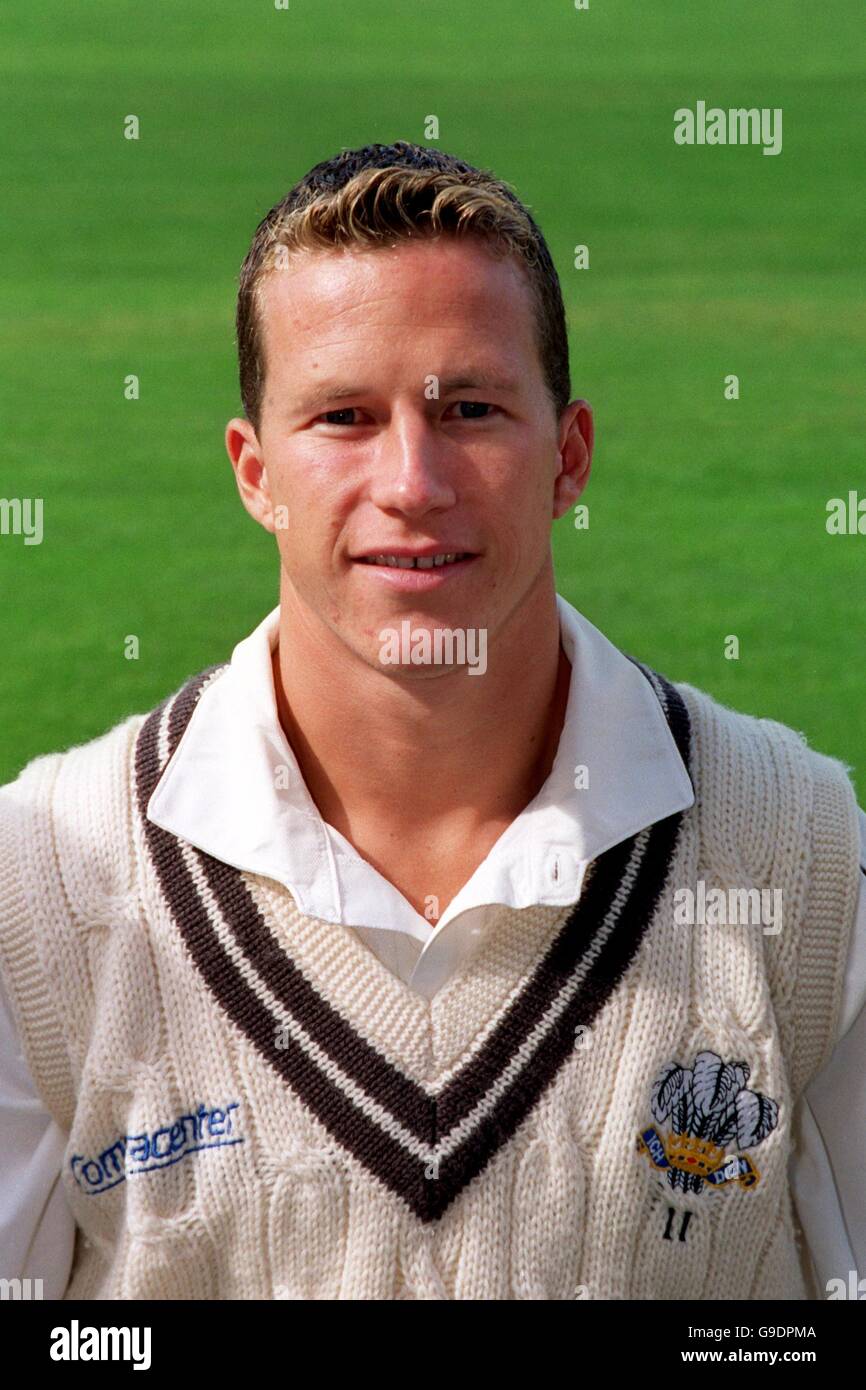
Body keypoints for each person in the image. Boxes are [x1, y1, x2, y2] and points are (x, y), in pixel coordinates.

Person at [0, 141, 863, 1302]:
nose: (412, 480)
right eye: (343, 416)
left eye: (468, 407)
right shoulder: (42, 878)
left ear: (568, 456)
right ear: (255, 473)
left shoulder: (806, 859)